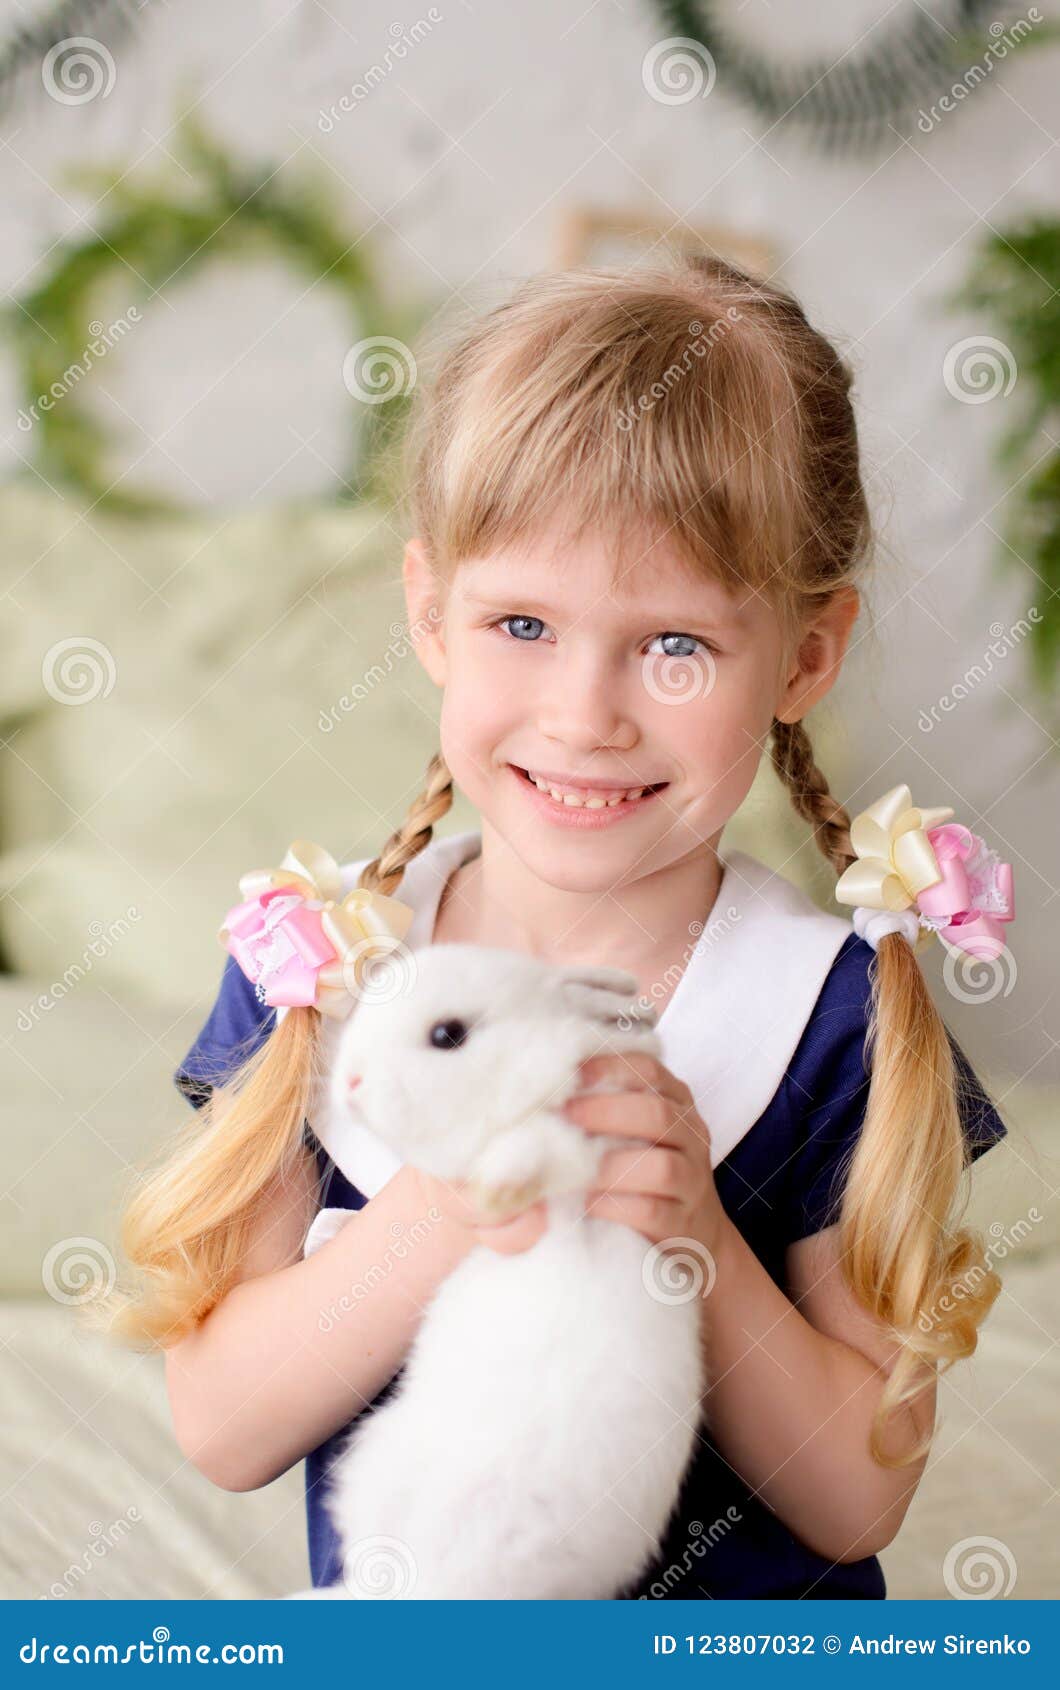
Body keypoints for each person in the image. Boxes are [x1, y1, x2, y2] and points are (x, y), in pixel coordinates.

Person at [89, 254, 1015, 1600]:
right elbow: (224, 1426)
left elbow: (857, 1492)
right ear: (431, 614)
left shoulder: (830, 1010)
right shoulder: (329, 964)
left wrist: (689, 1223)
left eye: (675, 644)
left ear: (807, 657)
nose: (588, 713)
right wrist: (446, 1208)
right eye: (523, 621)